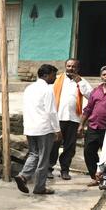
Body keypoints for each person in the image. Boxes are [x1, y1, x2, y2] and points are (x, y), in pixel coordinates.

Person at [17, 64, 62, 195]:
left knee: (34, 154)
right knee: (43, 158)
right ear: (46, 75)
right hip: (44, 128)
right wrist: (57, 129)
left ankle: (23, 176)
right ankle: (40, 187)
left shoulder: (29, 88)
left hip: (31, 127)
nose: (55, 78)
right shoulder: (47, 90)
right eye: (54, 75)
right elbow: (51, 111)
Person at [48, 58, 93, 180]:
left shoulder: (82, 81)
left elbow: (91, 96)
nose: (70, 69)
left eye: (73, 67)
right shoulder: (56, 79)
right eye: (68, 66)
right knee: (54, 144)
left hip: (73, 119)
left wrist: (80, 82)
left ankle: (64, 170)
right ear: (65, 66)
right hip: (58, 117)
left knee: (69, 146)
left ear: (78, 68)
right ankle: (49, 168)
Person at [79, 66, 106, 189]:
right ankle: (95, 177)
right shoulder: (95, 91)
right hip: (93, 127)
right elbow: (88, 109)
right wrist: (81, 124)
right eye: (104, 75)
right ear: (101, 76)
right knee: (88, 152)